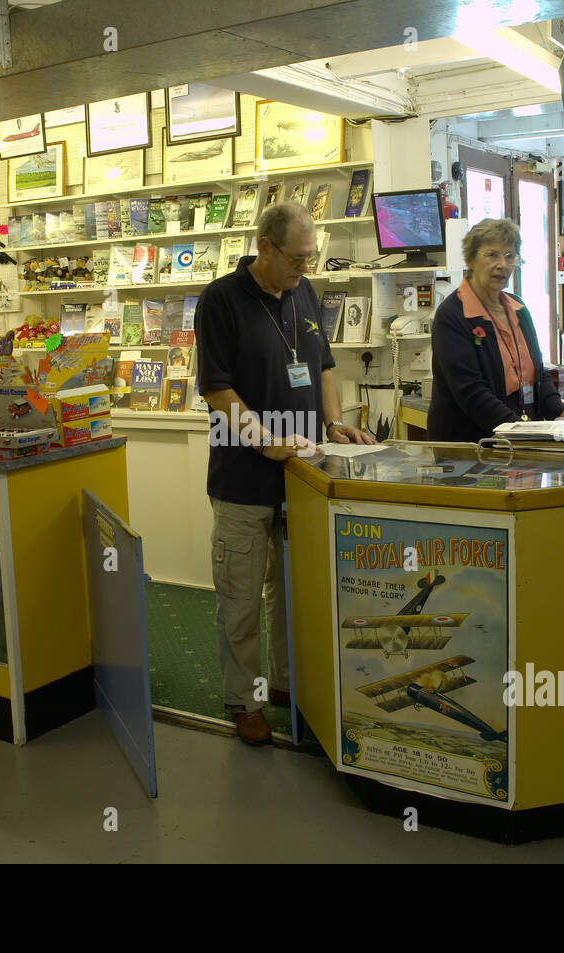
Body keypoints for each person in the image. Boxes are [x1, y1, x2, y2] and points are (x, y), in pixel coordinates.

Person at [195, 202, 375, 745]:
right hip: (244, 481)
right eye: (297, 257)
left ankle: (283, 685)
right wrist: (265, 441)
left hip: (302, 478)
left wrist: (334, 423)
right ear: (265, 246)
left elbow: (321, 365)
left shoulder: (304, 292)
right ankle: (243, 702)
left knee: (291, 594)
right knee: (242, 598)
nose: (306, 267)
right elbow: (217, 390)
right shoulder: (221, 300)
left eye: (311, 256)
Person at [428, 218, 564, 442]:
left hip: (519, 443)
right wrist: (524, 433)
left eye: (510, 256)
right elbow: (471, 393)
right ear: (470, 260)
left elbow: (539, 375)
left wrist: (560, 412)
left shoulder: (519, 310)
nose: (503, 264)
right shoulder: (452, 315)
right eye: (492, 255)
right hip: (469, 448)